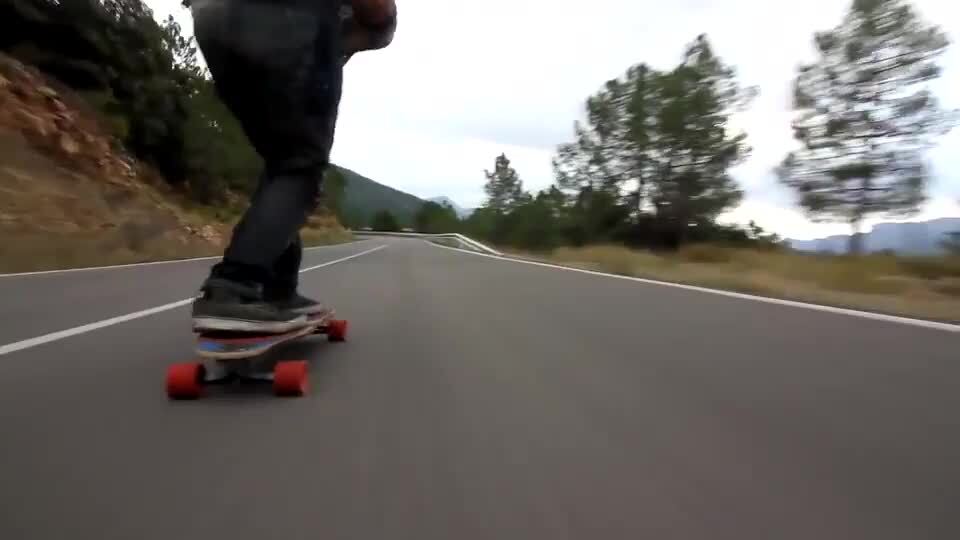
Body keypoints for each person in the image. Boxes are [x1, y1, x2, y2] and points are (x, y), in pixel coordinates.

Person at [186, 0, 397, 333]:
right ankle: (234, 288)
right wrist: (375, 22)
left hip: (211, 19)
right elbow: (377, 10)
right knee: (301, 167)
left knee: (282, 161)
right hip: (291, 17)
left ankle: (277, 289)